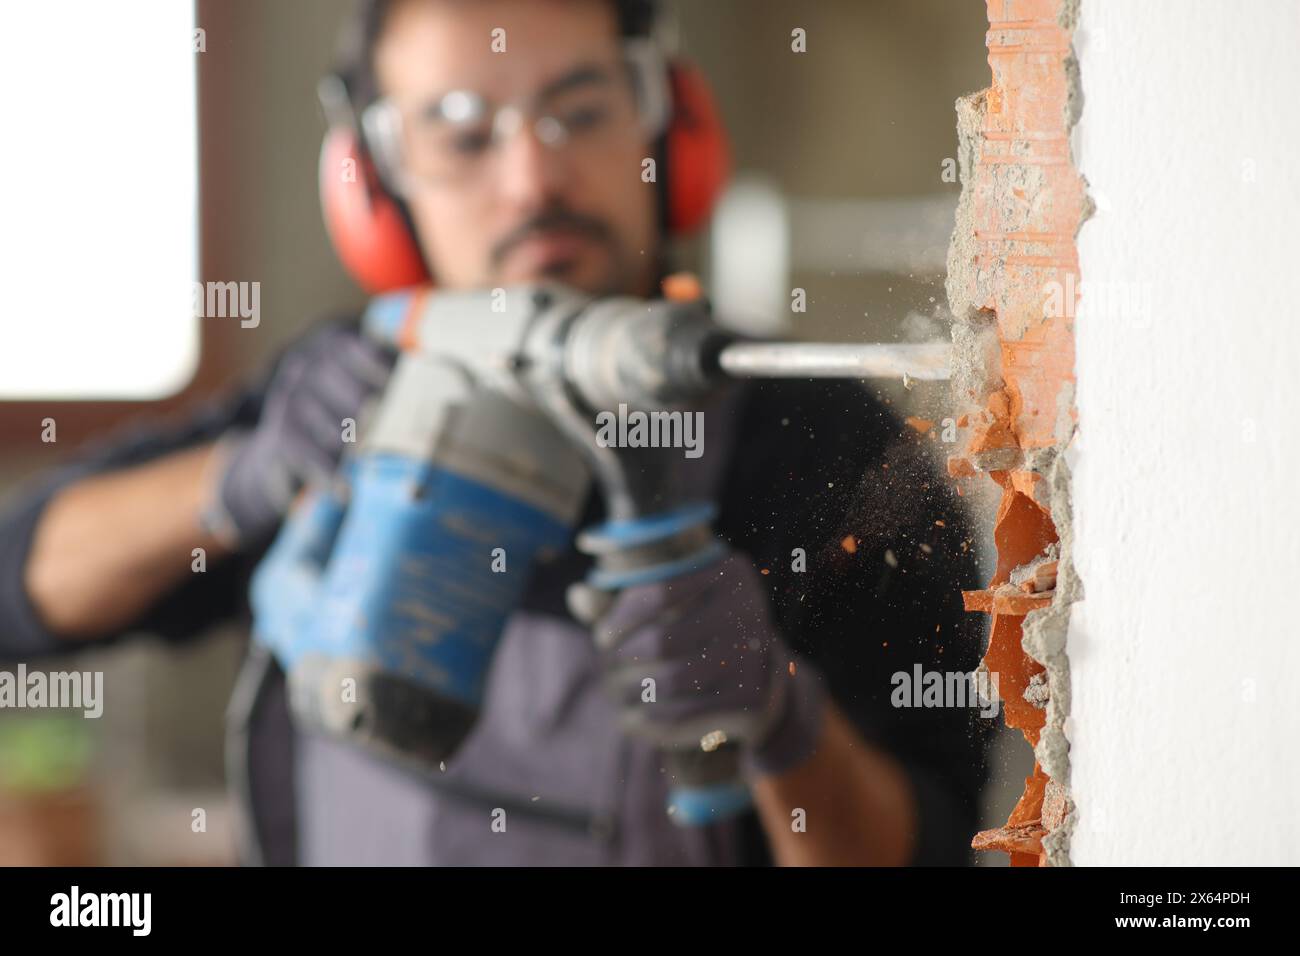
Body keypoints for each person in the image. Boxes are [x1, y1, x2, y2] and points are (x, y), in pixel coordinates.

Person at [0, 0, 989, 865]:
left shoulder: (827, 449)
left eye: (582, 108)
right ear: (373, 184)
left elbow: (932, 849)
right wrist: (236, 478)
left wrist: (781, 720)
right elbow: (20, 590)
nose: (531, 178)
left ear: (667, 127)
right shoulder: (343, 388)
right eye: (462, 133)